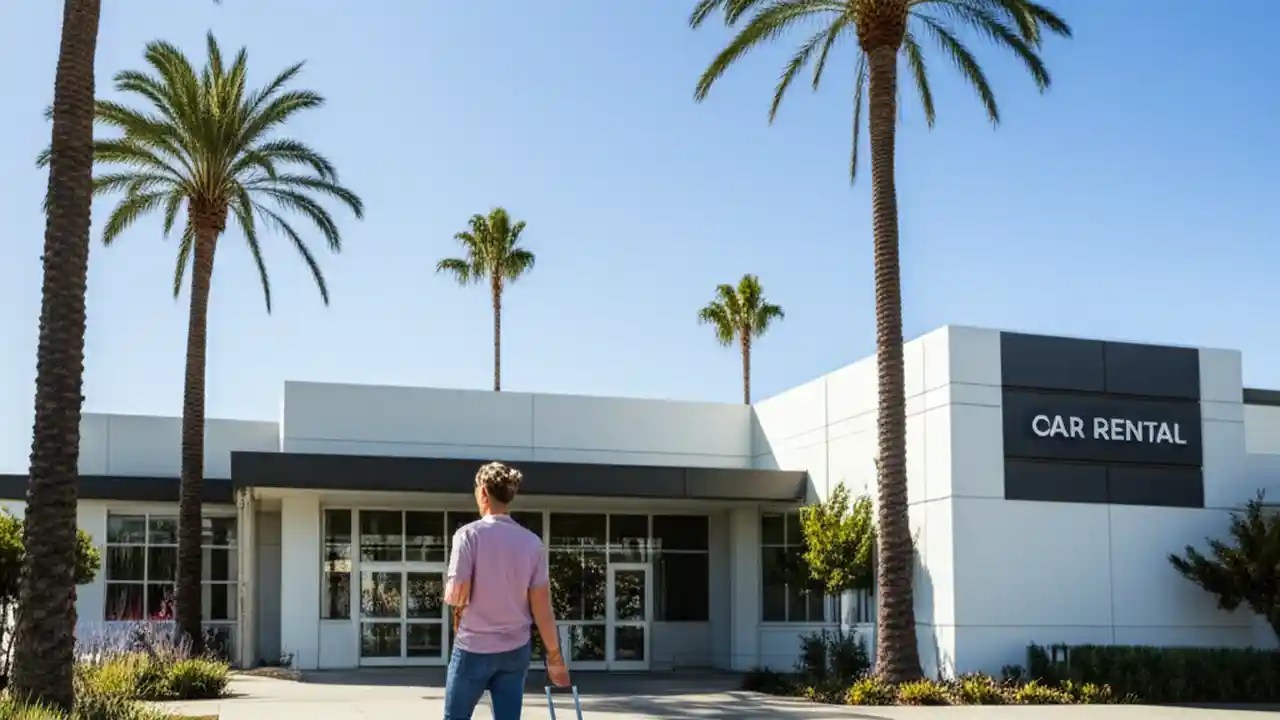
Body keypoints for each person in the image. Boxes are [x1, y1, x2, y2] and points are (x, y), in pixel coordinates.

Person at [443, 461, 571, 720]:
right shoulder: (531, 543)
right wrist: (555, 658)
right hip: (514, 650)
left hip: (473, 647)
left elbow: (457, 594)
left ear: (483, 493)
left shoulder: (468, 536)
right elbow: (542, 607)